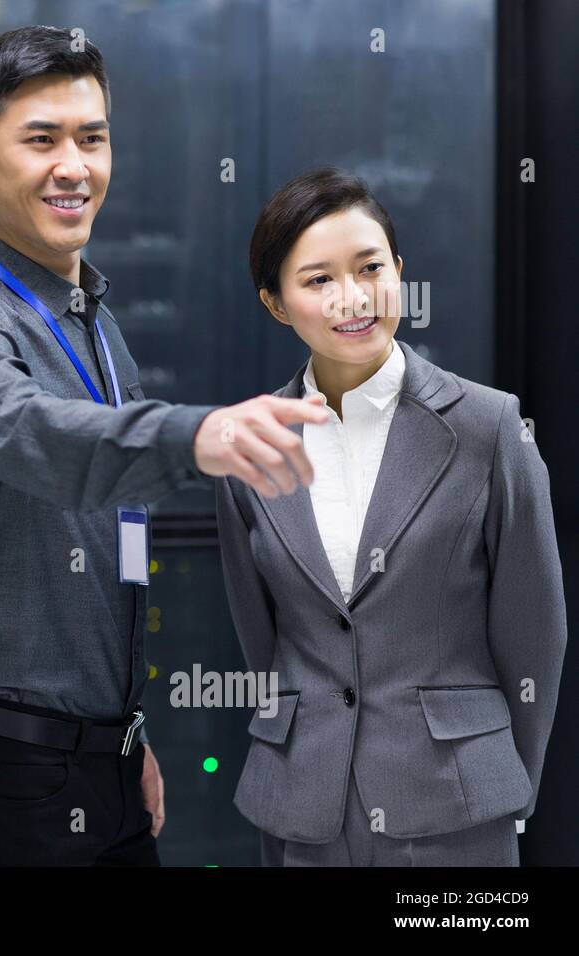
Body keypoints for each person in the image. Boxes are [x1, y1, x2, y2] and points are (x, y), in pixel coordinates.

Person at [0, 25, 330, 866]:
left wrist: (124, 734)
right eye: (42, 139)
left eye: (92, 138)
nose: (74, 165)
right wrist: (194, 432)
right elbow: (27, 432)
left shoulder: (96, 324)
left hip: (99, 758)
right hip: (0, 772)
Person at [217, 166, 567, 866]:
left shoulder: (490, 427)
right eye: (317, 280)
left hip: (456, 808)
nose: (353, 298)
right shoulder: (248, 445)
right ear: (276, 304)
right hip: (303, 810)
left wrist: (508, 785)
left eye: (370, 267)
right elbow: (264, 646)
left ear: (398, 271)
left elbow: (536, 636)